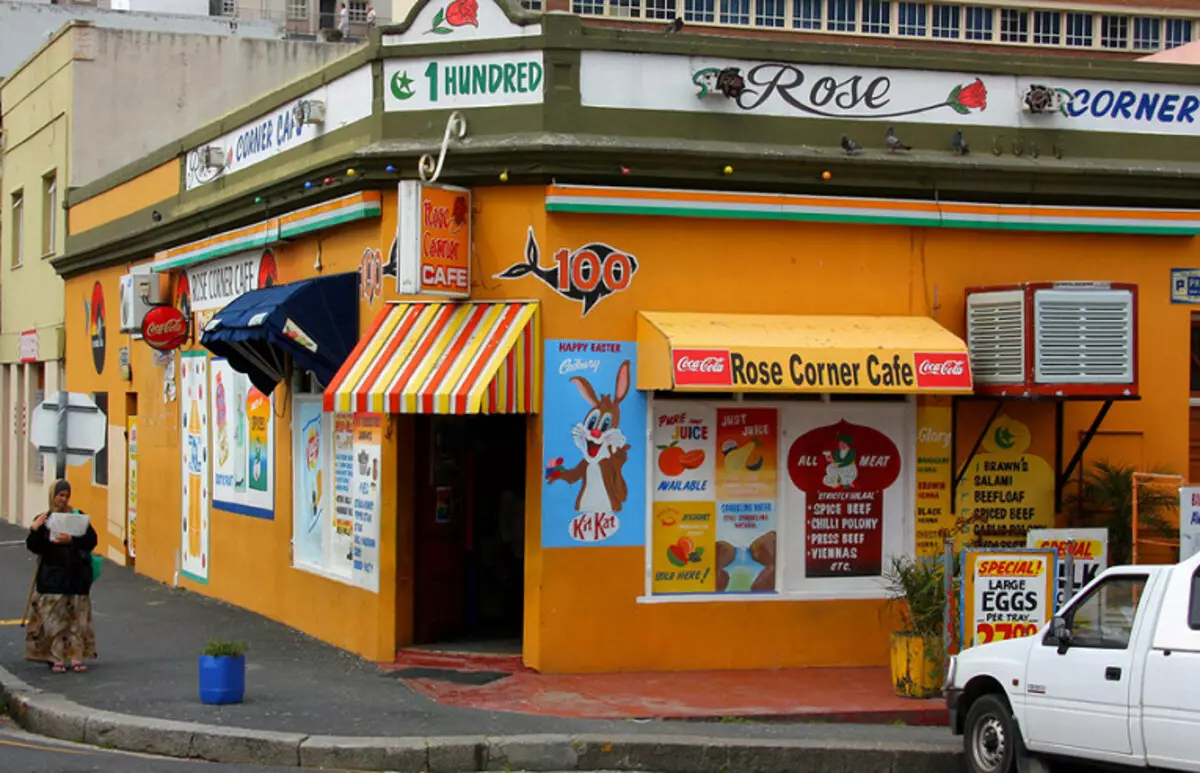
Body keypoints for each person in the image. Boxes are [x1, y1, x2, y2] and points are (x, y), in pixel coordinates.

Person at [25, 480, 98, 673]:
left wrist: (71, 540)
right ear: (53, 496)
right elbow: (34, 546)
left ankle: (76, 657)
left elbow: (91, 540)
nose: (63, 500)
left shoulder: (77, 516)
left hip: (76, 577)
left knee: (77, 622)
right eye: (60, 495)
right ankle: (56, 658)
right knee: (54, 622)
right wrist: (35, 529)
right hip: (52, 577)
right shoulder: (44, 519)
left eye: (66, 496)